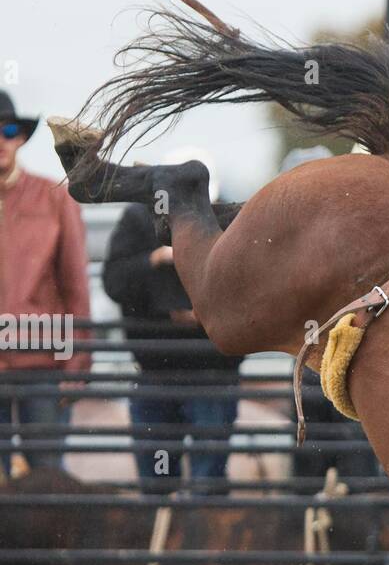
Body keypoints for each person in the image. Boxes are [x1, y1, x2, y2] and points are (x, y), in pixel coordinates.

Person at [102, 202, 241, 490]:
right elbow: (114, 282)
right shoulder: (139, 220)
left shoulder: (225, 216)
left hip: (205, 370)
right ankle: (170, 526)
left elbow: (247, 284)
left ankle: (182, 527)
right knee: (162, 475)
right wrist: (154, 261)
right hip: (165, 368)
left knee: (204, 475)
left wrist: (206, 312)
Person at [0, 90, 90, 473]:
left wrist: (78, 362)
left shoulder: (55, 198)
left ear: (19, 137)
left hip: (44, 363)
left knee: (46, 476)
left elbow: (76, 284)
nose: (1, 140)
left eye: (6, 130)